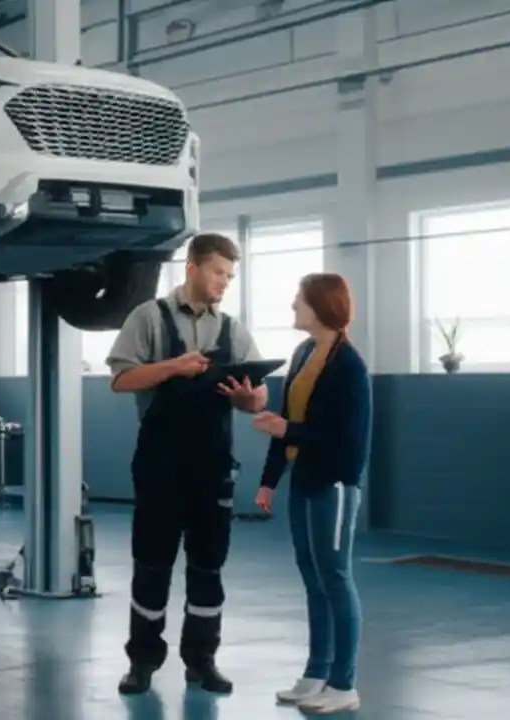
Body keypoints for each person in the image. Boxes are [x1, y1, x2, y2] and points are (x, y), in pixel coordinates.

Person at [106, 232, 268, 695]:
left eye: (230, 275)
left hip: (212, 467)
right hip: (160, 466)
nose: (224, 282)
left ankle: (202, 660)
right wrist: (173, 368)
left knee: (208, 567)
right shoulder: (149, 317)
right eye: (218, 272)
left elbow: (258, 399)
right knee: (152, 564)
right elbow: (120, 379)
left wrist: (247, 398)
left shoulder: (234, 330)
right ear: (192, 268)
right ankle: (142, 663)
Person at [250, 272, 372, 715]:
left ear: (321, 306)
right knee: (312, 577)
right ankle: (317, 673)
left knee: (335, 577)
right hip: (302, 480)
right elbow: (286, 420)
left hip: (333, 484)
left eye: (298, 300)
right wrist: (269, 480)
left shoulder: (349, 366)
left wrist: (288, 429)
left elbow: (346, 440)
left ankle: (343, 683)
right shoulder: (303, 354)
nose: (293, 306)